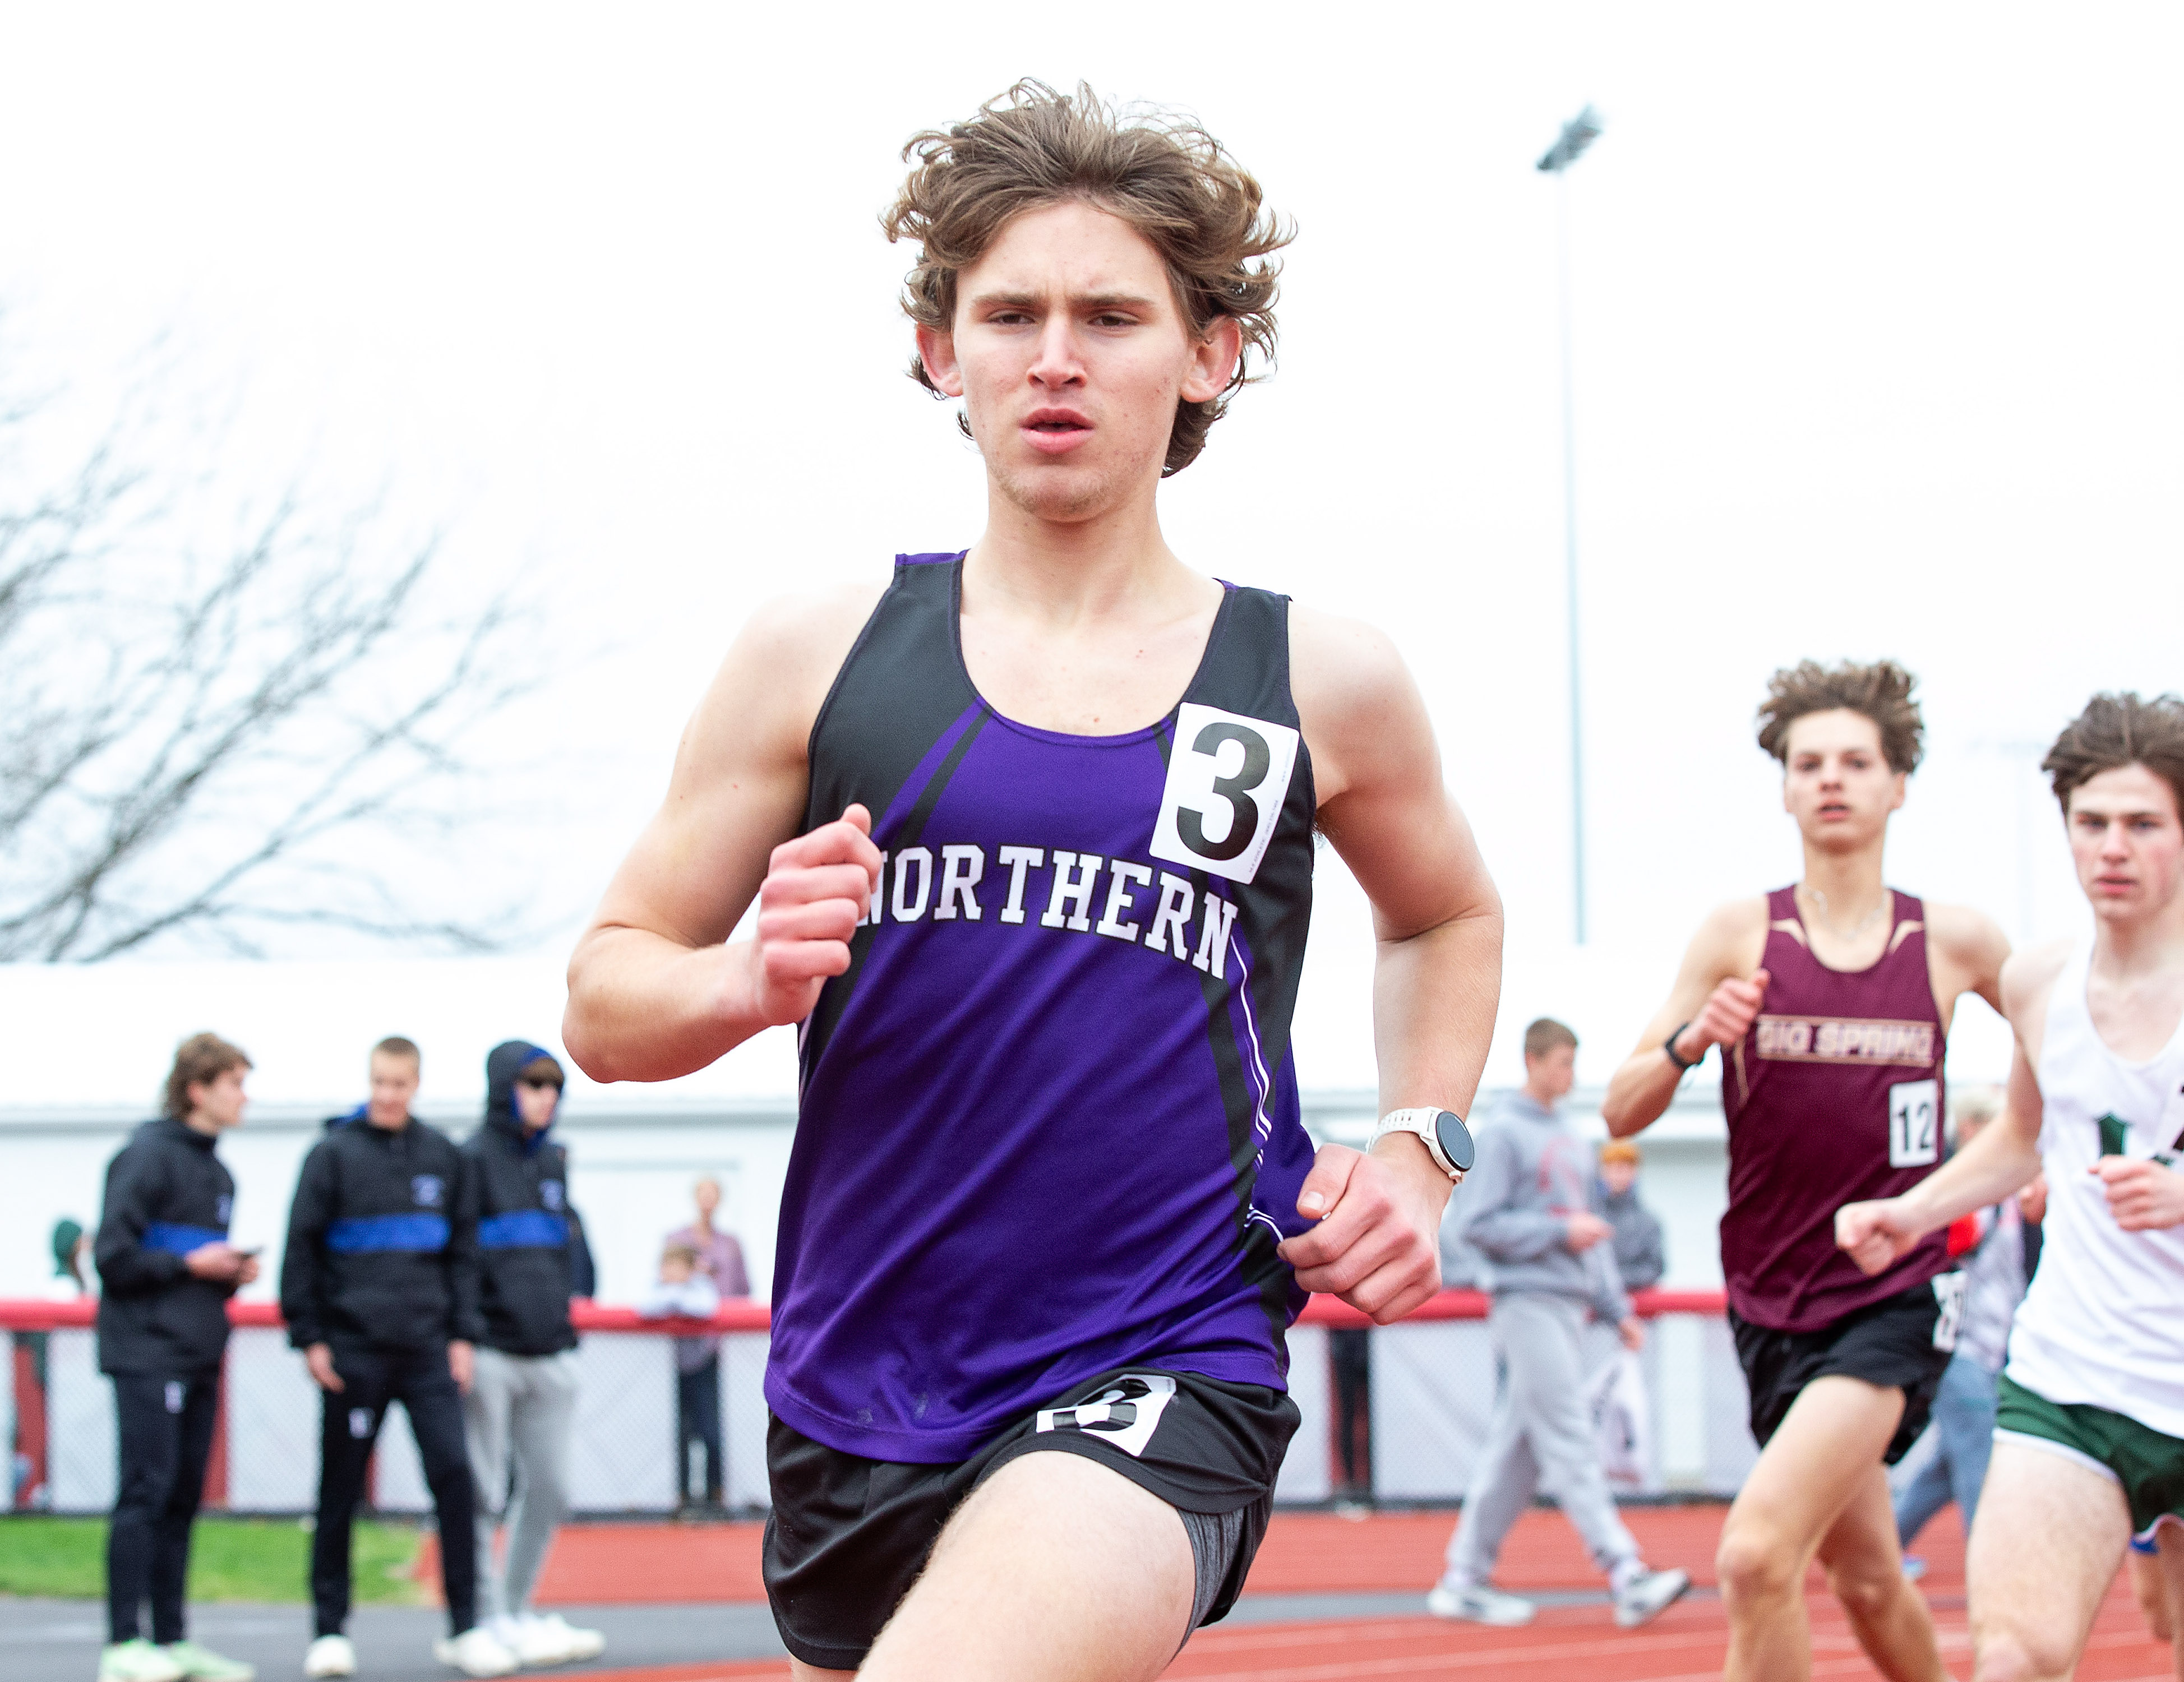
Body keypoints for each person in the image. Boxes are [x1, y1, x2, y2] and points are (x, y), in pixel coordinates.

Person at [562, 80, 1502, 1682]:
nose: (1053, 356)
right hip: (859, 1378)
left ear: (1204, 355)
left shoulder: (1315, 677)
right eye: (1007, 313)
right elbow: (604, 994)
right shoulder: (823, 648)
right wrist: (742, 982)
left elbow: (1441, 913)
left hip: (1167, 1348)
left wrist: (1420, 1146)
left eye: (1110, 315)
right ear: (942, 351)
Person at [1601, 659, 2010, 1682]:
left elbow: (2078, 1054)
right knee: (1870, 1580)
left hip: (1895, 1296)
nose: (1832, 779)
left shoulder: (1953, 941)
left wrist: (2037, 1151)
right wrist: (1697, 1037)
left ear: (1897, 785)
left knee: (1754, 1556)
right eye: (1810, 762)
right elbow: (1621, 1108)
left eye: (1856, 762)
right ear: (1784, 786)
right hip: (1771, 1302)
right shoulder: (1743, 934)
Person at [1837, 691, 2184, 1681]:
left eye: (2144, 824)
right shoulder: (2037, 982)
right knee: (2014, 1659)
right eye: (2092, 824)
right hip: (2076, 1376)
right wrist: (1909, 1212)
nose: (2112, 847)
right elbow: (2022, 1139)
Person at [1430, 1019, 1688, 1628]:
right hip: (1526, 1302)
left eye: (1573, 1064)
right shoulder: (1502, 1134)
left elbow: (1590, 1232)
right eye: (1561, 1063)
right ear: (1533, 1061)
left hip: (1569, 1306)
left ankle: (1463, 1576)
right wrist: (1557, 1233)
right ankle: (1625, 1572)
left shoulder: (1574, 1138)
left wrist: (1618, 1309)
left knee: (1517, 1448)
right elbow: (1474, 1225)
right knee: (1568, 1434)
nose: (1569, 1076)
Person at [280, 1038, 514, 1680]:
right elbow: (299, 1248)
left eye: (399, 1083)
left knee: (455, 1480)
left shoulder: (443, 1157)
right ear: (369, 1080)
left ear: (416, 1084)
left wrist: (462, 1336)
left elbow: (463, 1255)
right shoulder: (330, 1156)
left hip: (428, 1352)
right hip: (353, 1353)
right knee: (339, 1490)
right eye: (379, 1082)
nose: (388, 1094)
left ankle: (465, 1627)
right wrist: (310, 1337)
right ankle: (329, 1631)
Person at [91, 1033, 261, 1682]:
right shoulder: (143, 1157)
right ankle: (121, 1645)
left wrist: (225, 1272)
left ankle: (170, 1639)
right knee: (145, 1491)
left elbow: (189, 1264)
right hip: (145, 1353)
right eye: (235, 1084)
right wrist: (191, 1263)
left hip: (199, 1352)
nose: (245, 1097)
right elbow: (112, 1257)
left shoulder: (219, 1174)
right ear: (198, 1089)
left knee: (184, 1497)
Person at [461, 1042, 605, 1667]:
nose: (546, 1096)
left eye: (554, 1086)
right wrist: (463, 1336)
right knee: (480, 1492)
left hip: (551, 1350)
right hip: (490, 1351)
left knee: (549, 1487)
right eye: (533, 1085)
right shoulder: (468, 1160)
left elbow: (567, 1248)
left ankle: (517, 1612)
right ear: (504, 1089)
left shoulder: (553, 1161)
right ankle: (484, 1619)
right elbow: (459, 1260)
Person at [1891, 1087, 2028, 1574]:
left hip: (1994, 1344)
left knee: (1946, 1466)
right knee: (1977, 1452)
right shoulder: (1951, 1193)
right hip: (1958, 1343)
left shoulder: (2005, 1193)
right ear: (1969, 1130)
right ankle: (1989, 1565)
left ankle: (1882, 1549)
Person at [662, 1176, 750, 1512]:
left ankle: (718, 1493)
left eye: (714, 1194)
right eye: (703, 1193)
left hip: (719, 1348)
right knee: (681, 1425)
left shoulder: (731, 1245)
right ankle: (682, 1495)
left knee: (714, 1424)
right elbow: (661, 1282)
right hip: (677, 1348)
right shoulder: (676, 1239)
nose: (708, 1200)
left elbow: (742, 1290)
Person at [1590, 1141, 1664, 1293]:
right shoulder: (1589, 1219)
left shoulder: (1648, 1222)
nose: (1618, 1175)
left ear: (1635, 1172)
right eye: (1612, 1168)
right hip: (1597, 1312)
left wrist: (1614, 1281)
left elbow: (1655, 1268)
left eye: (1625, 1168)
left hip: (1638, 1309)